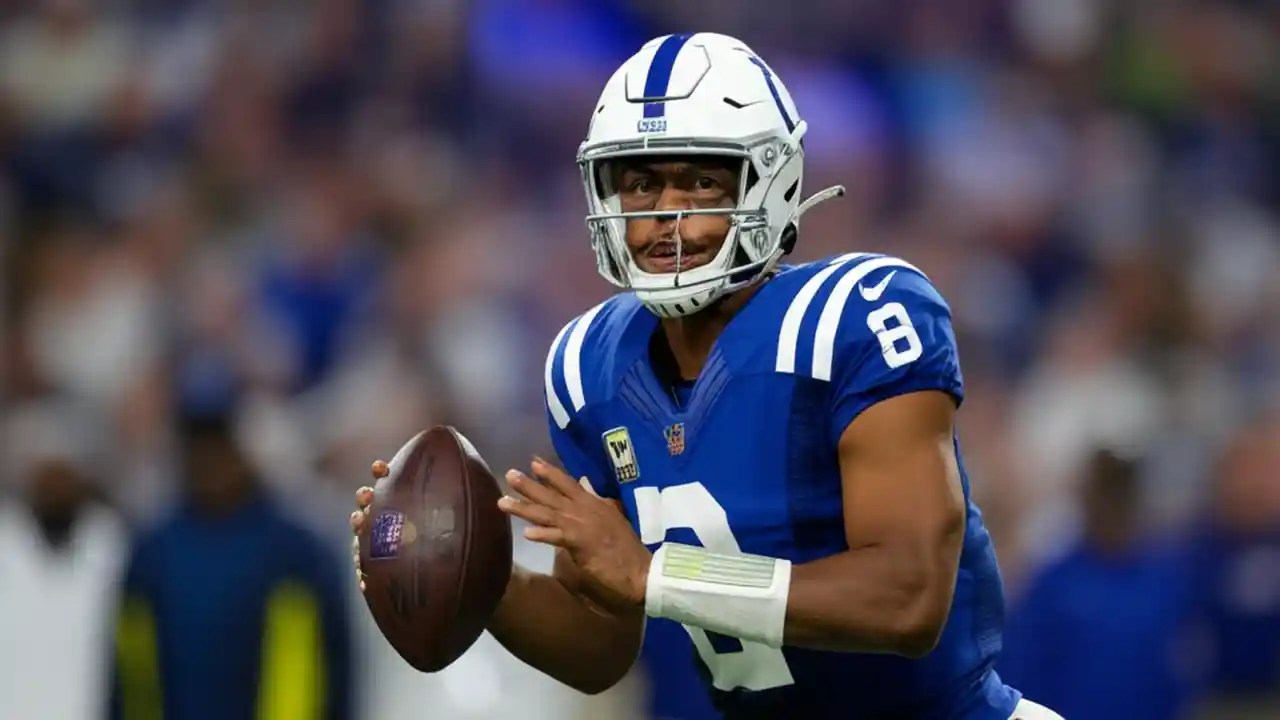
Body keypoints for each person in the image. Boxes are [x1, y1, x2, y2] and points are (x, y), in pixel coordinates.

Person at [353, 32, 1060, 719]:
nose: (666, 215)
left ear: (769, 180)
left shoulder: (856, 317)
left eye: (700, 180)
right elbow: (601, 645)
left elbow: (909, 598)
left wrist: (656, 574)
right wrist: (479, 576)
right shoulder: (587, 366)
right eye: (640, 183)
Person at [111, 403, 353, 720]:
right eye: (198, 446)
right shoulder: (153, 550)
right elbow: (130, 670)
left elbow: (332, 666)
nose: (210, 460)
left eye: (220, 445)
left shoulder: (297, 551)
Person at [999, 448, 1201, 719]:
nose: (1113, 505)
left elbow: (1186, 672)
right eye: (1105, 492)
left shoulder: (1168, 580)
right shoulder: (1054, 584)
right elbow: (1021, 676)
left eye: (1121, 493)